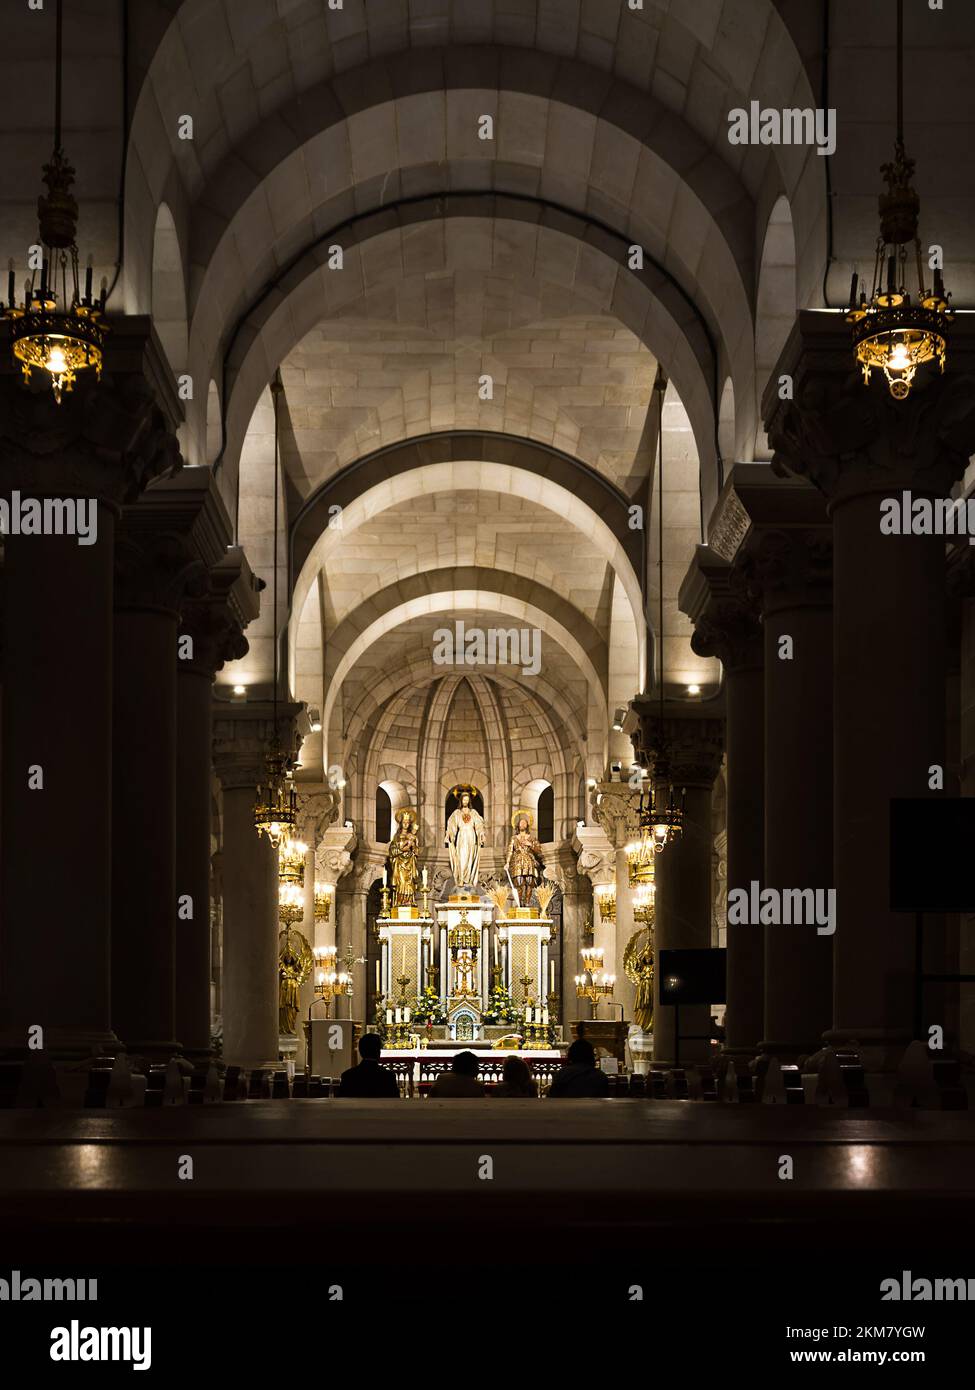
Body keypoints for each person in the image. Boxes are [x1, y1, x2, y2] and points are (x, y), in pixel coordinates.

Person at [336, 1033, 400, 1098]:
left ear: (361, 1052)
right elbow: (396, 1102)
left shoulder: (347, 1076)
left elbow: (341, 1101)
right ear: (378, 1052)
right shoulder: (389, 1077)